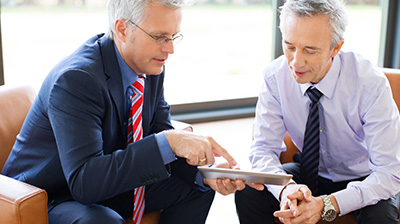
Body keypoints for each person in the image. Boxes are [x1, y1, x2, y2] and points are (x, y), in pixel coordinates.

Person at [1, 0, 246, 223]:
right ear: (121, 29)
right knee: (101, 221)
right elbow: (85, 182)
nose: (170, 49)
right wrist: (169, 142)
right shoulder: (76, 79)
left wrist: (205, 174)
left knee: (197, 188)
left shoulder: (149, 64)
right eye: (160, 36)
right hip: (49, 195)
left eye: (173, 36)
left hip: (106, 181)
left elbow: (159, 132)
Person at [235, 0, 400, 223]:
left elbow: (388, 173)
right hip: (308, 170)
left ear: (336, 48)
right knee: (249, 192)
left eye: (310, 50)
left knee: (381, 216)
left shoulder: (369, 84)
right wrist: (286, 190)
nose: (296, 62)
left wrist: (327, 204)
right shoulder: (275, 77)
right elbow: (263, 149)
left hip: (364, 177)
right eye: (290, 46)